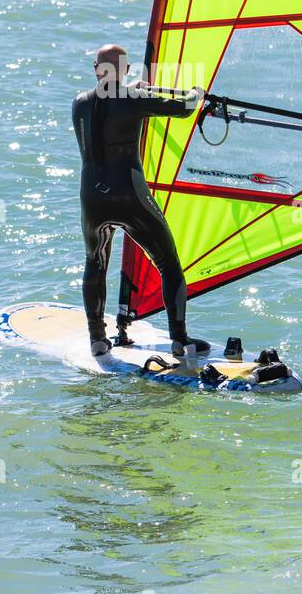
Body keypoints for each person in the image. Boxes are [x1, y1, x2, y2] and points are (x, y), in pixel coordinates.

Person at [72, 44, 210, 360]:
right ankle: (179, 339)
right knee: (168, 262)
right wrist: (197, 93)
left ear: (96, 69)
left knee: (95, 262)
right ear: (125, 70)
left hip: (92, 199)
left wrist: (132, 91)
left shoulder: (79, 103)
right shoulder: (134, 100)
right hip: (129, 195)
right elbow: (185, 107)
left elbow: (110, 102)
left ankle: (97, 339)